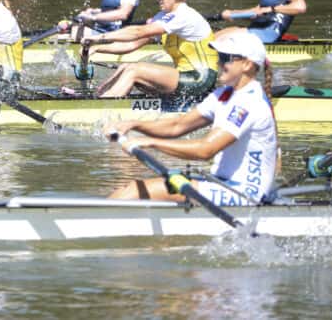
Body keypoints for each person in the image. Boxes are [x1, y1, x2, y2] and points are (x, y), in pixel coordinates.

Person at [104, 31, 278, 207]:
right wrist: (134, 124)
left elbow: (205, 150)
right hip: (223, 182)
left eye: (226, 57)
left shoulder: (249, 102)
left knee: (134, 192)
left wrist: (149, 142)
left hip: (244, 193)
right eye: (219, 56)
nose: (218, 62)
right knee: (126, 189)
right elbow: (177, 126)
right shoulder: (224, 94)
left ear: (247, 64)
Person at [85, 0, 218, 99]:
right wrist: (96, 48)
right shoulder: (162, 17)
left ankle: (103, 108)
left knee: (135, 70)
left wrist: (99, 37)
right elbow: (132, 43)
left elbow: (138, 32)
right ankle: (101, 96)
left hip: (200, 78)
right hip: (183, 77)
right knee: (126, 66)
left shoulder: (184, 15)